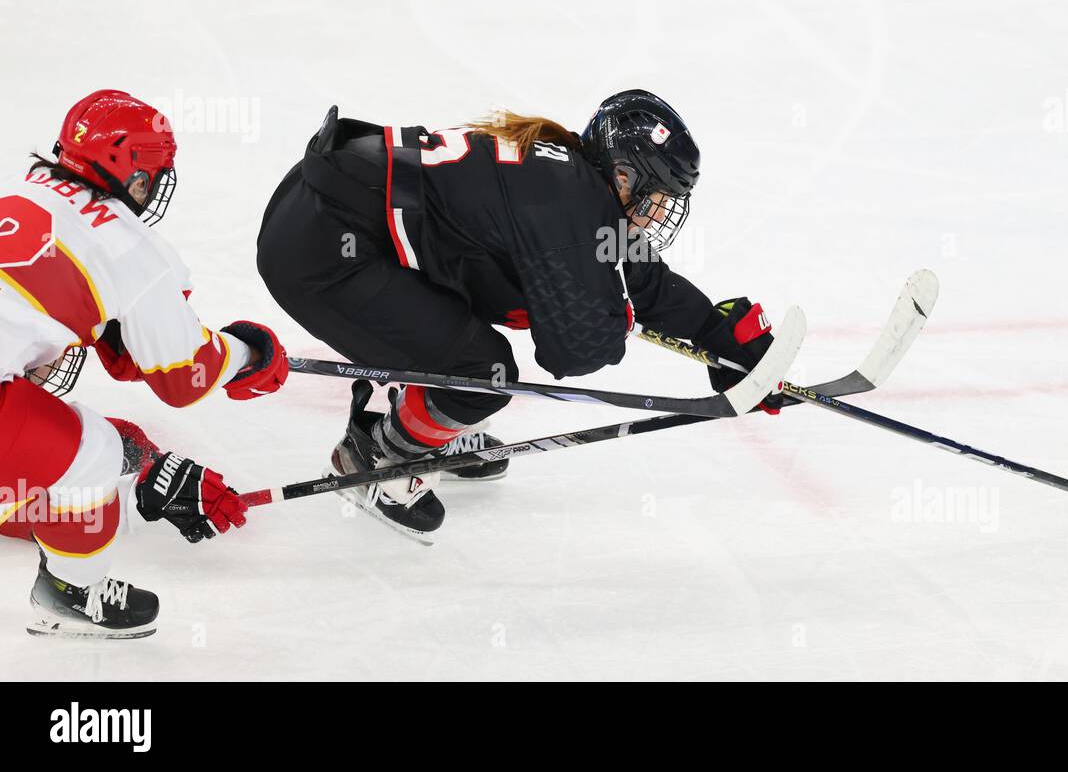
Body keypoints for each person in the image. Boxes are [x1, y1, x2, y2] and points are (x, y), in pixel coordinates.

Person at [256, 90, 779, 543]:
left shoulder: (571, 181)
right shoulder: (571, 207)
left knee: (468, 345)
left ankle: (428, 415)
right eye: (656, 198)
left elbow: (642, 282)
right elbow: (575, 352)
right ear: (622, 176)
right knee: (483, 374)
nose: (655, 215)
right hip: (321, 255)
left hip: (320, 216)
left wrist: (718, 335)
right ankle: (381, 455)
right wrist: (610, 310)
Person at [0, 89, 289, 638]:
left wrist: (145, 469)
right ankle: (70, 594)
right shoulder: (134, 250)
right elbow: (187, 377)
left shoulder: (18, 189)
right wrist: (251, 353)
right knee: (92, 451)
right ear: (136, 178)